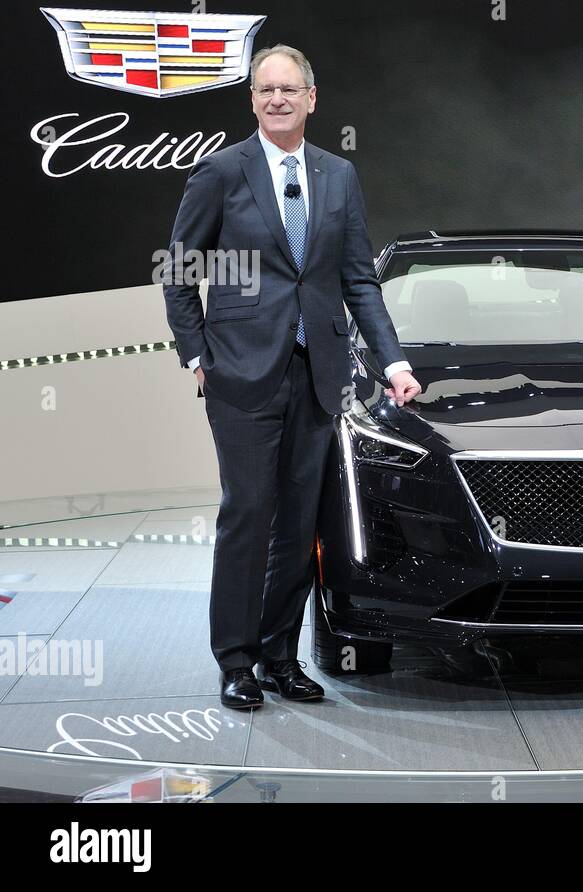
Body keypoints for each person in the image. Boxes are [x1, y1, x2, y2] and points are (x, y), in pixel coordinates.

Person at [162, 45, 423, 710]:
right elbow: (177, 269)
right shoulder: (221, 172)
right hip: (240, 377)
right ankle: (237, 661)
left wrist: (393, 362)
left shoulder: (338, 176)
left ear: (312, 99)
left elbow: (358, 280)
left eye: (289, 89)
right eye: (264, 89)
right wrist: (198, 356)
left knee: (299, 525)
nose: (276, 99)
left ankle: (281, 655)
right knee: (248, 515)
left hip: (319, 374)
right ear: (252, 100)